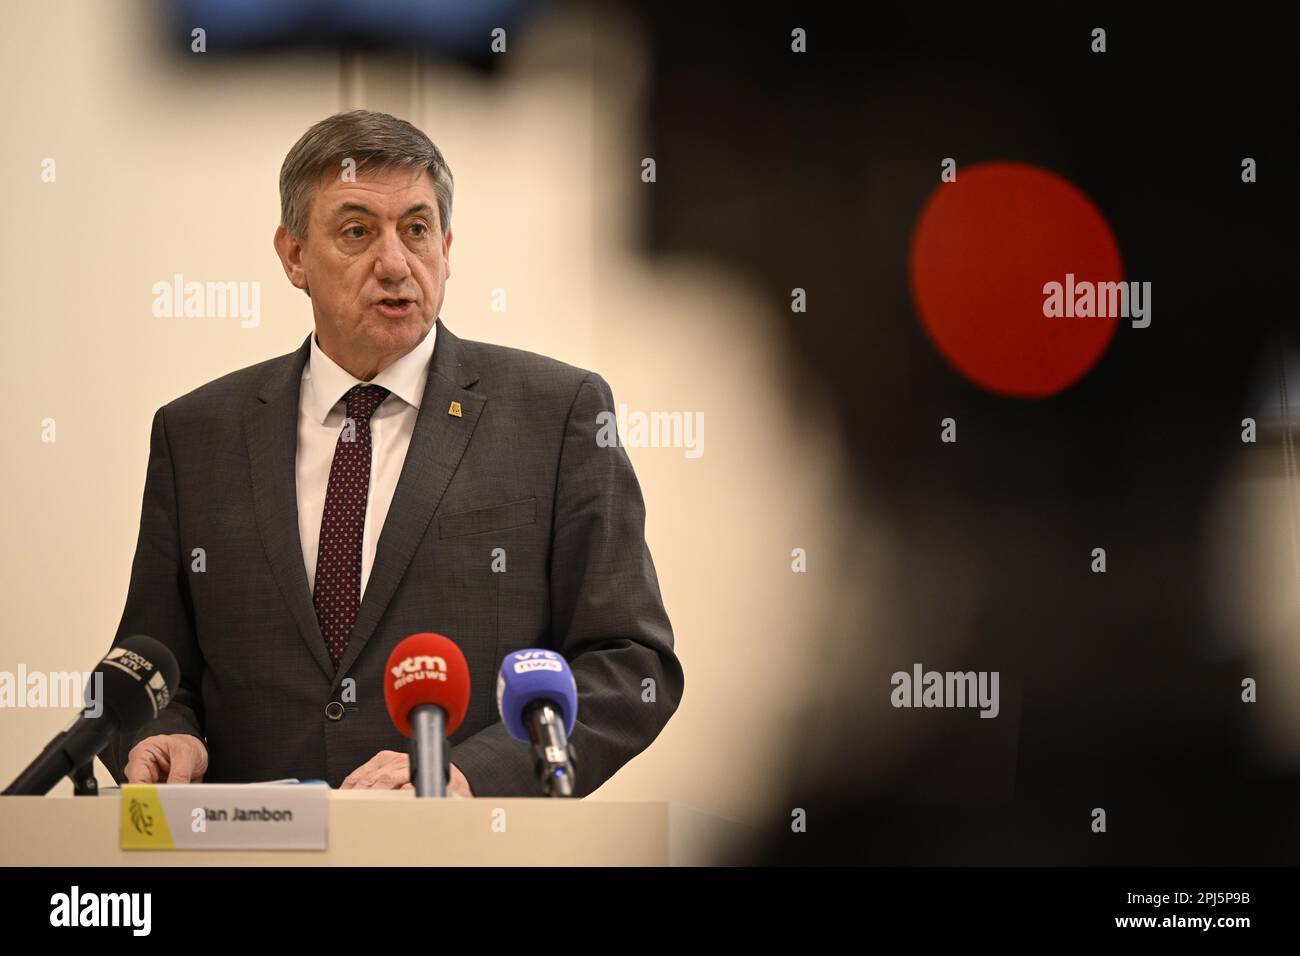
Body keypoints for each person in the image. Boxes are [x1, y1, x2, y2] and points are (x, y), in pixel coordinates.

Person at [102, 109, 683, 796]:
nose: (394, 263)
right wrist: (162, 732)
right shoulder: (198, 434)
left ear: (446, 246)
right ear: (293, 256)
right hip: (251, 850)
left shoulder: (558, 413)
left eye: (416, 229)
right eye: (356, 232)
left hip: (468, 850)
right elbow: (151, 669)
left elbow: (630, 665)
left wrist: (468, 770)